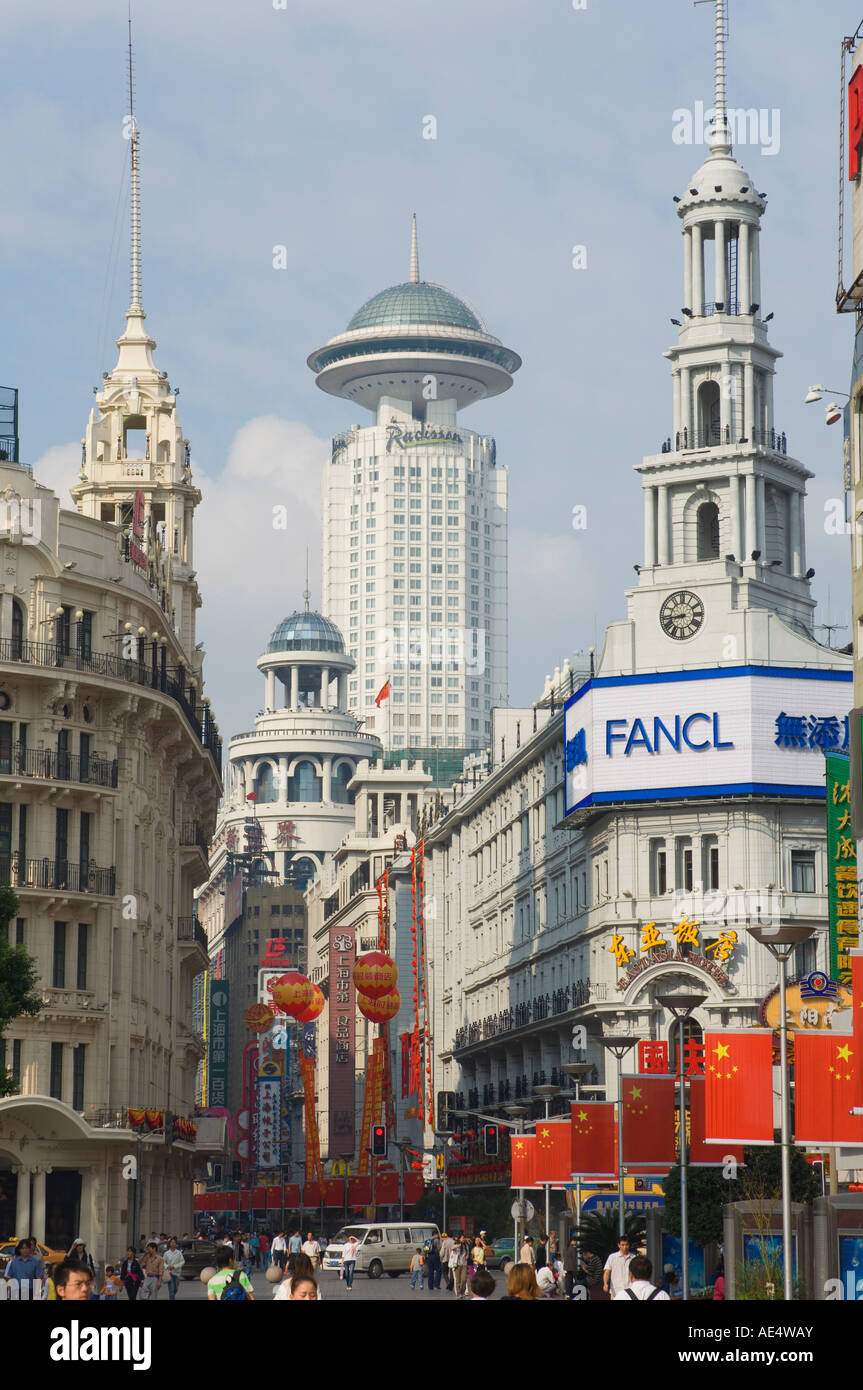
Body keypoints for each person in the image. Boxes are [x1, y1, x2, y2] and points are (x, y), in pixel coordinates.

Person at [449, 1233, 469, 1297]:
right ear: (459, 1238)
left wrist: (467, 1256)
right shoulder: (456, 1244)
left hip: (464, 1264)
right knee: (457, 1280)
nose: (463, 1239)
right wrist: (458, 1246)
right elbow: (452, 1248)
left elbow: (467, 1253)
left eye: (464, 1238)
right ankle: (458, 1293)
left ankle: (462, 1291)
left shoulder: (466, 1245)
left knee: (464, 1279)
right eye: (462, 1238)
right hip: (457, 1264)